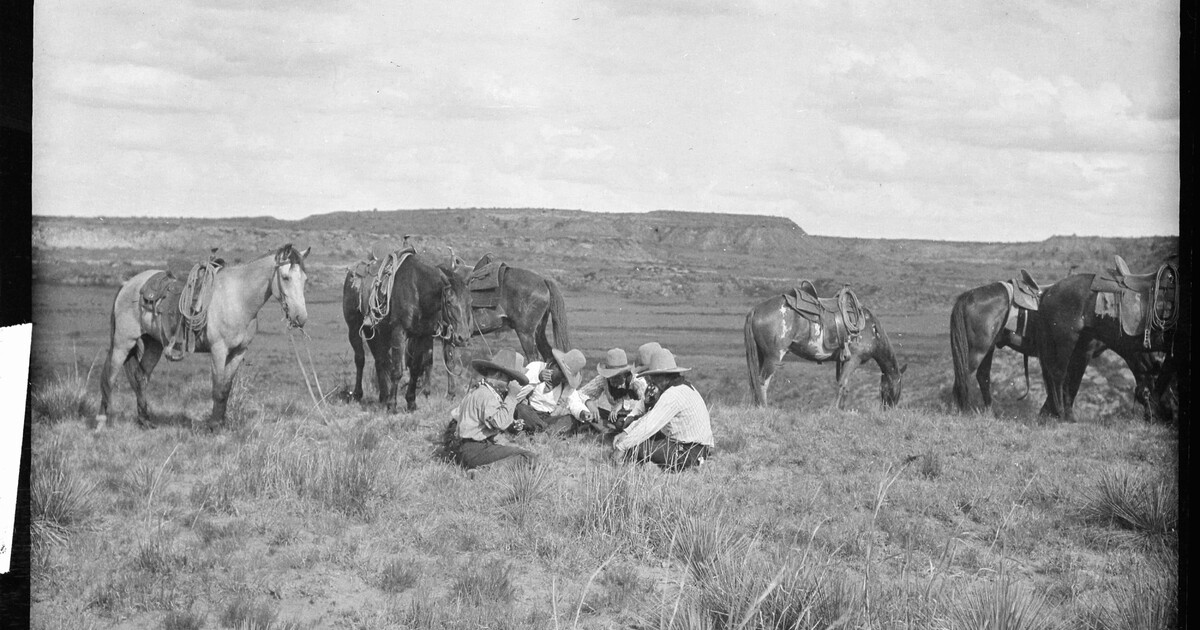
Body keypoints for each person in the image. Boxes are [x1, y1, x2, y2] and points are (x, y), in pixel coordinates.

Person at [611, 348, 714, 472]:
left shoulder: (673, 395)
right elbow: (648, 417)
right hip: (690, 447)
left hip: (690, 452)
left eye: (654, 377)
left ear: (664, 376)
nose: (652, 381)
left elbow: (650, 424)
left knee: (637, 447)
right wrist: (626, 433)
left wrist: (622, 446)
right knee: (637, 441)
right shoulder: (680, 388)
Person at [446, 348, 537, 471]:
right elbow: (499, 422)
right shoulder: (486, 394)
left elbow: (490, 421)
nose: (510, 385)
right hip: (474, 449)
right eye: (510, 380)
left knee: (518, 453)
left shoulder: (482, 390)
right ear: (499, 375)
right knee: (527, 457)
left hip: (467, 448)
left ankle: (481, 469)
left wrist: (511, 425)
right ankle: (484, 471)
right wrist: (511, 396)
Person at [569, 347, 648, 433]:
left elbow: (645, 403)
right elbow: (580, 394)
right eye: (611, 376)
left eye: (618, 376)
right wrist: (589, 402)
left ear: (625, 374)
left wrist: (622, 404)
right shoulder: (603, 380)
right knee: (591, 415)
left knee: (622, 424)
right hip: (613, 416)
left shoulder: (637, 382)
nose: (614, 379)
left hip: (633, 415)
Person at [513, 348, 588, 433]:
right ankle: (546, 431)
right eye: (562, 375)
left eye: (566, 378)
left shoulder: (565, 384)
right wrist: (538, 378)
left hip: (549, 417)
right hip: (530, 411)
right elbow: (516, 395)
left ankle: (542, 430)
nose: (563, 379)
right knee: (521, 409)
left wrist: (582, 412)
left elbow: (574, 402)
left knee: (570, 419)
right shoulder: (536, 367)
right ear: (555, 365)